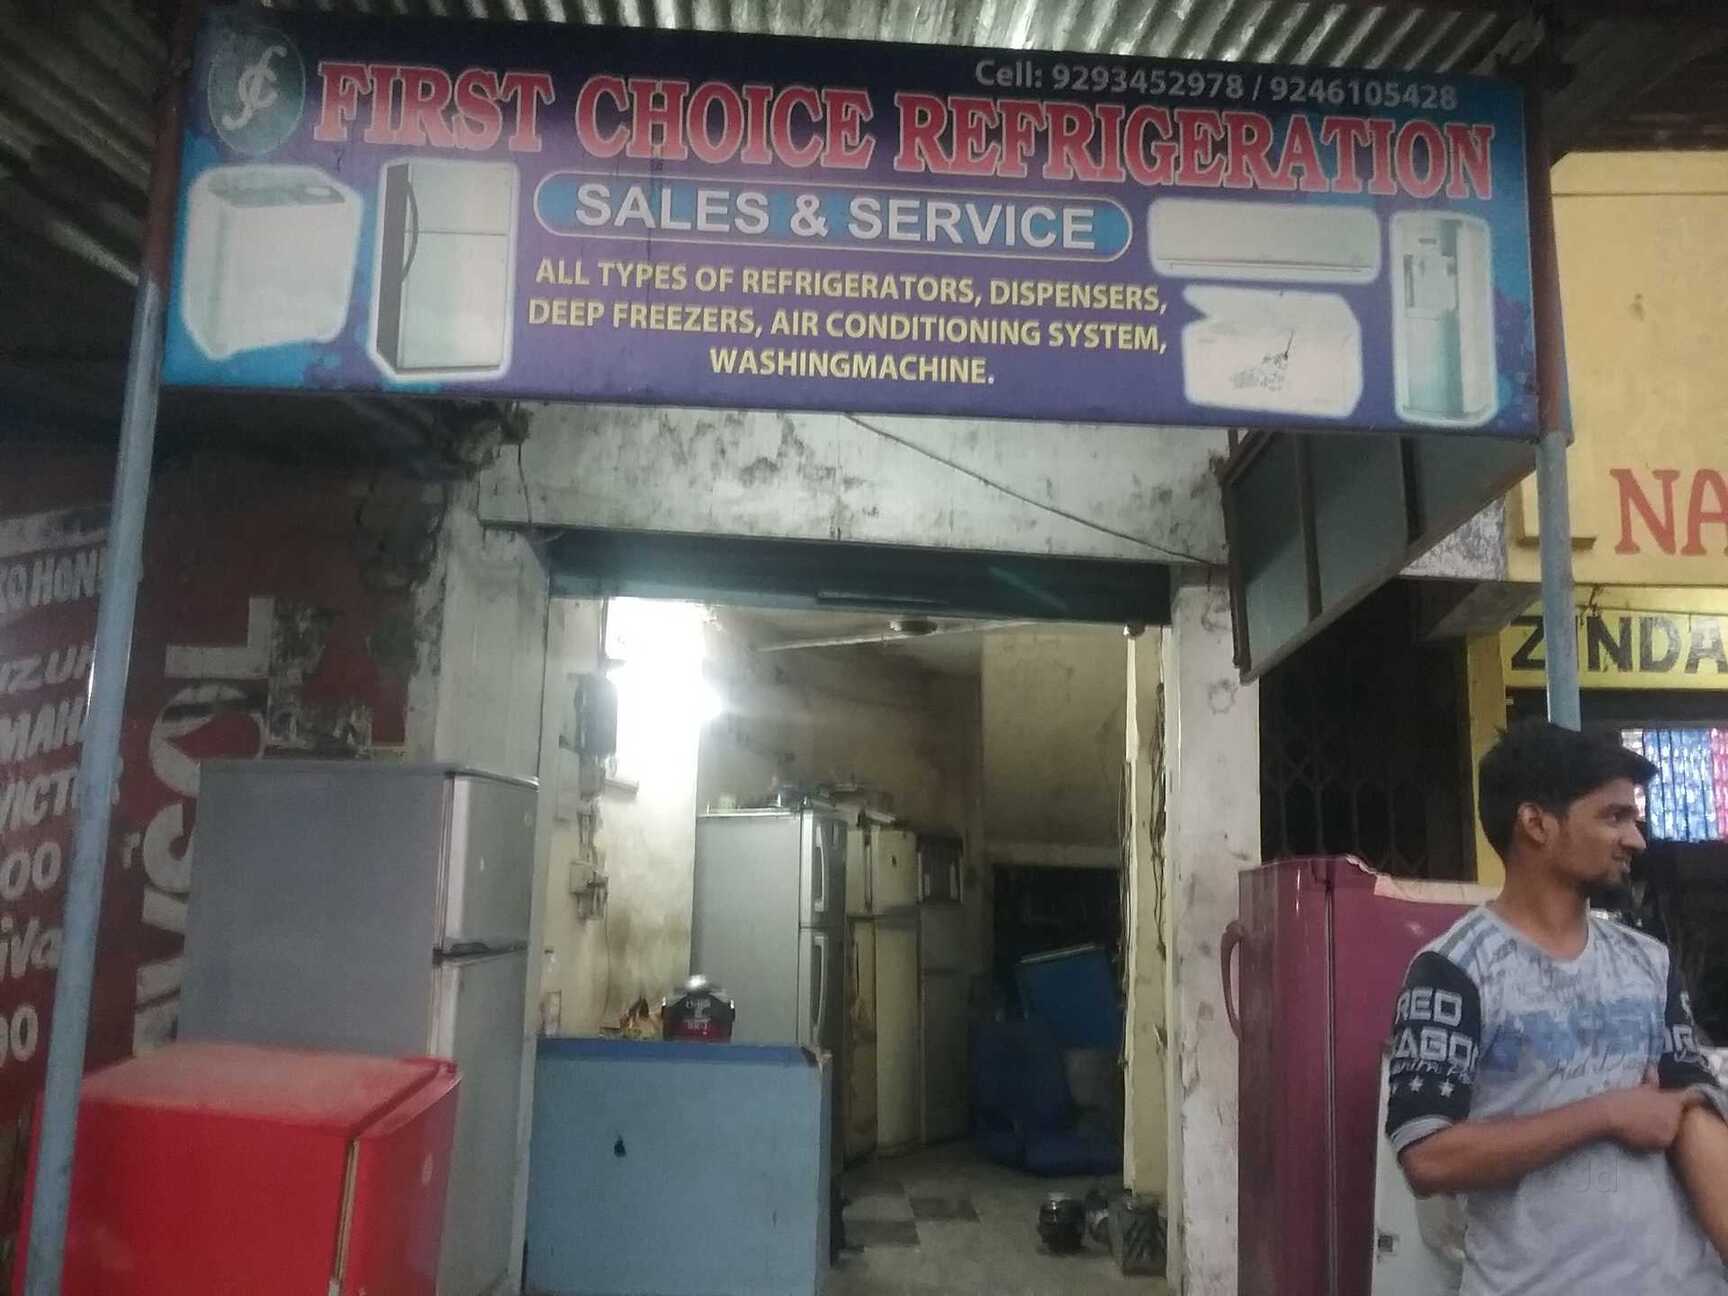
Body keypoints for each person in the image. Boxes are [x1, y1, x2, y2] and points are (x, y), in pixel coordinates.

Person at [1386, 719, 1728, 1294]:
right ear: (1536, 823)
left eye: (1634, 819)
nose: (1637, 840)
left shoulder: (1649, 962)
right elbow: (1427, 1157)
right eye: (1613, 817)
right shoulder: (1454, 971)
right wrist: (1606, 1113)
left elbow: (1687, 1110)